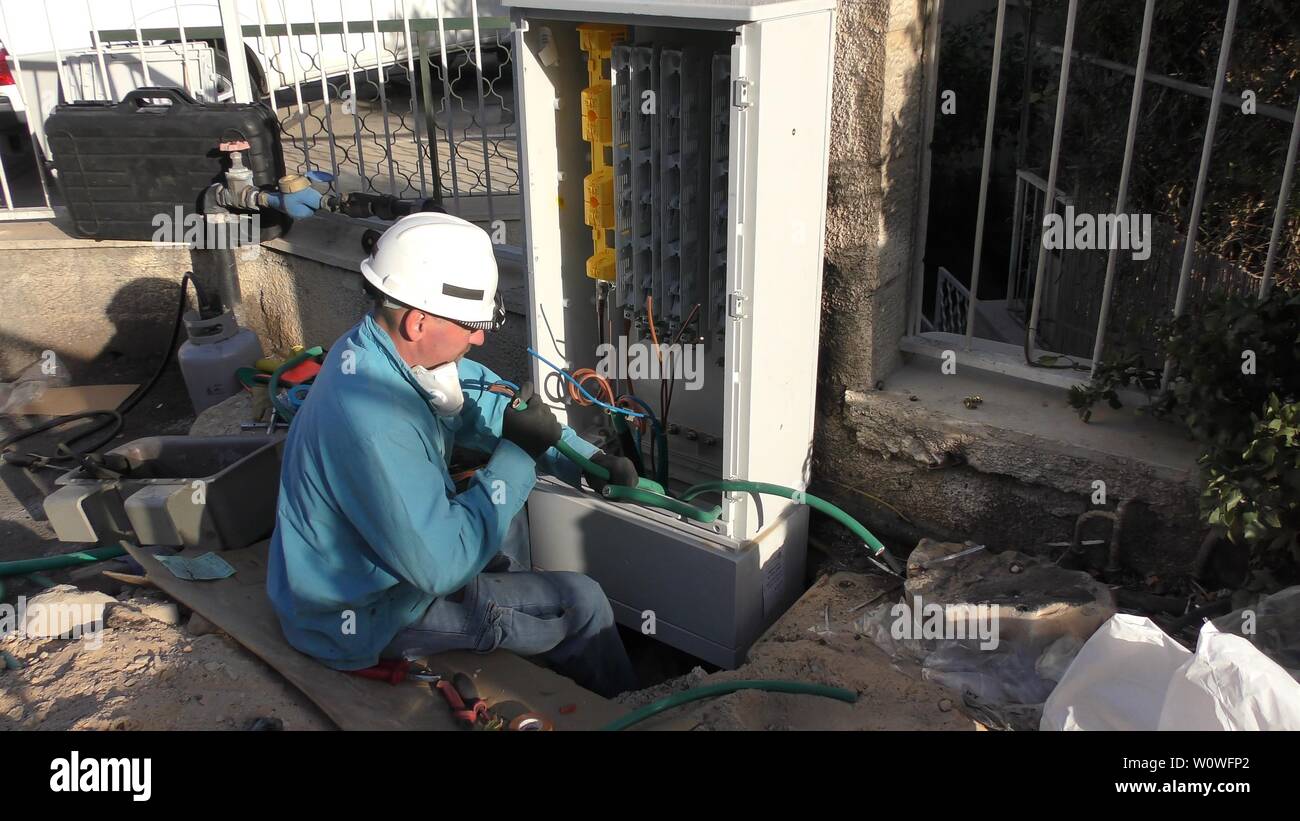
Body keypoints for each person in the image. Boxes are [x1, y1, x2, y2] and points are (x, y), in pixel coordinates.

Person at [267, 212, 639, 697]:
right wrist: (519, 453)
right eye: (472, 325)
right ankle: (627, 709)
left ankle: (519, 618)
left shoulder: (381, 350)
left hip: (374, 563)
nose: (481, 338)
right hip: (363, 612)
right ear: (419, 320)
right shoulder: (373, 425)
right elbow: (441, 567)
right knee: (584, 602)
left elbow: (481, 400)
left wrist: (583, 461)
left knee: (507, 511)